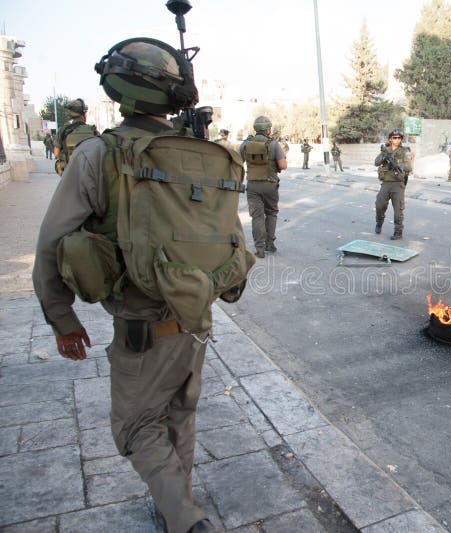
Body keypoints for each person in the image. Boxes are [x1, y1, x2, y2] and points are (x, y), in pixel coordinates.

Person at [32, 38, 220, 533]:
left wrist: (62, 318)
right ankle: (175, 507)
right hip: (196, 317)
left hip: (141, 327)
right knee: (180, 416)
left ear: (119, 93)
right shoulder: (201, 152)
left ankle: (186, 520)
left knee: (136, 426)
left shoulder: (98, 154)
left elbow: (53, 243)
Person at [239, 116, 287, 257]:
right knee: (271, 213)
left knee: (257, 216)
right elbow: (283, 165)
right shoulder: (273, 144)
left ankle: (259, 249)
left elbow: (236, 162)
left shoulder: (245, 144)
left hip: (253, 186)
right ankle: (270, 244)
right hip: (270, 185)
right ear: (267, 129)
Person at [374, 128, 413, 240]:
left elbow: (409, 167)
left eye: (399, 138)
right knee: (379, 205)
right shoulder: (385, 150)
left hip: (398, 184)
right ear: (390, 139)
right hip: (386, 183)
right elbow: (376, 163)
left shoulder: (405, 151)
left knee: (398, 210)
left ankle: (398, 232)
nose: (397, 140)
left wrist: (398, 165)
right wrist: (384, 157)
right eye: (394, 138)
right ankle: (379, 222)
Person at [54, 98, 98, 175]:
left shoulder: (63, 130)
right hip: (90, 175)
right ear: (83, 114)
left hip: (69, 175)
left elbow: (56, 153)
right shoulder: (92, 130)